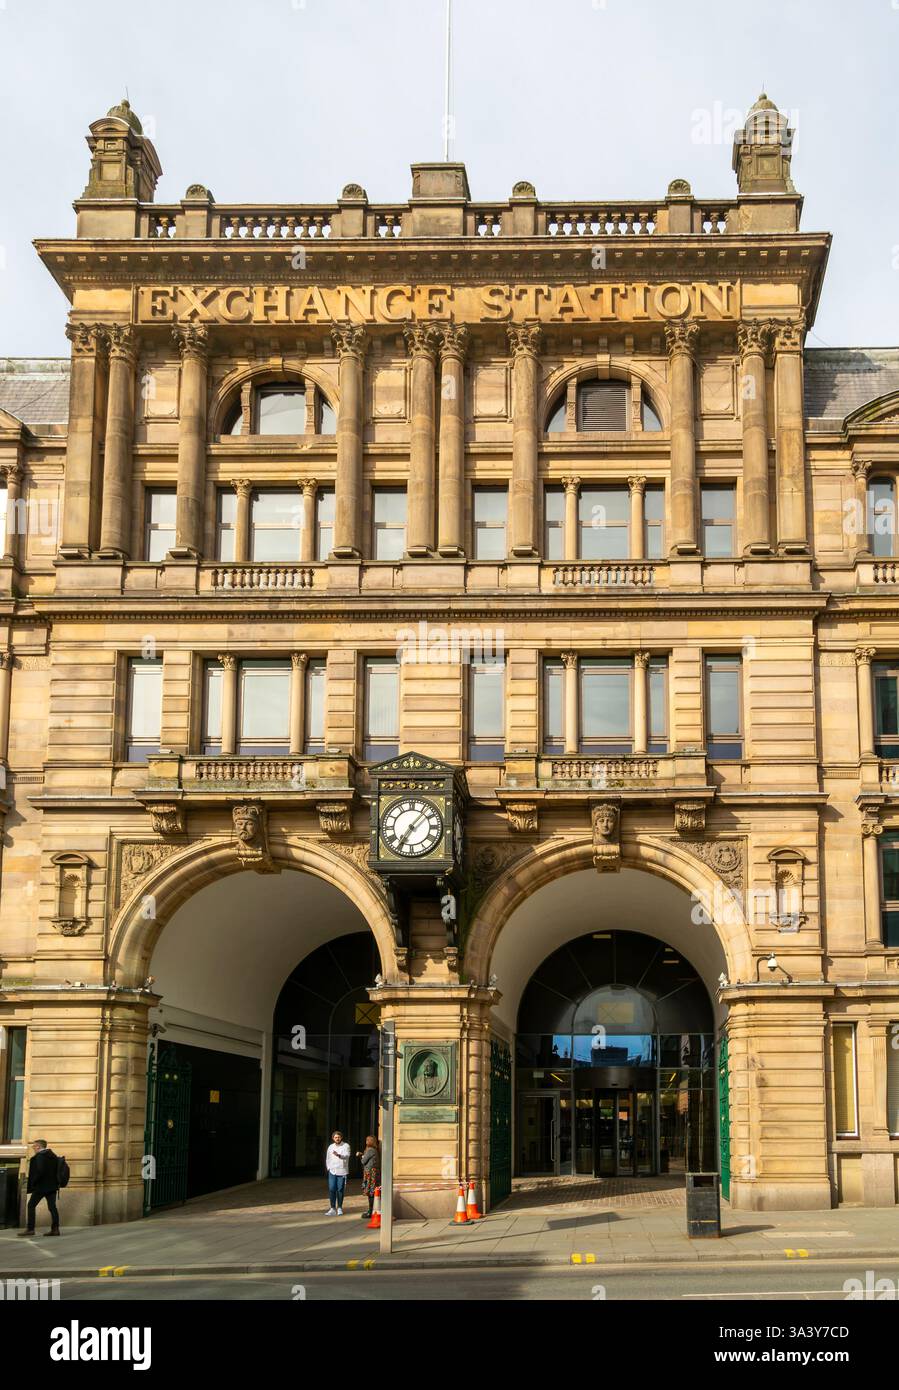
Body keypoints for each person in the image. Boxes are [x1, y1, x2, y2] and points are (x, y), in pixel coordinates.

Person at [18, 1139, 61, 1237]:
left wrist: (34, 1183)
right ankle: (55, 1229)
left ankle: (30, 1229)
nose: (33, 1148)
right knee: (52, 1207)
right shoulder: (52, 1156)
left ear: (38, 1146)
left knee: (31, 1205)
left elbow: (40, 1171)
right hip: (52, 1186)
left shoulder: (40, 1157)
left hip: (41, 1186)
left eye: (34, 1146)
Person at [325, 1131, 351, 1216]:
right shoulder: (330, 1147)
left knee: (340, 1189)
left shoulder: (346, 1146)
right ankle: (332, 1208)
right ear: (333, 1138)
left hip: (342, 1171)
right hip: (332, 1171)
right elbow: (328, 1158)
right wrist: (328, 1168)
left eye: (338, 1137)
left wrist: (339, 1155)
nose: (337, 1139)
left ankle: (339, 1207)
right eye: (335, 1137)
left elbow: (347, 1155)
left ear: (341, 1138)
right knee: (332, 1189)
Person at [356, 1135, 381, 1219]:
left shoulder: (370, 1150)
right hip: (373, 1172)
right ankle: (371, 1210)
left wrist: (360, 1155)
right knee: (372, 1192)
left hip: (370, 1173)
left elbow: (363, 1161)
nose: (366, 1141)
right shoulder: (374, 1150)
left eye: (367, 1140)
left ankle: (370, 1212)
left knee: (371, 1192)